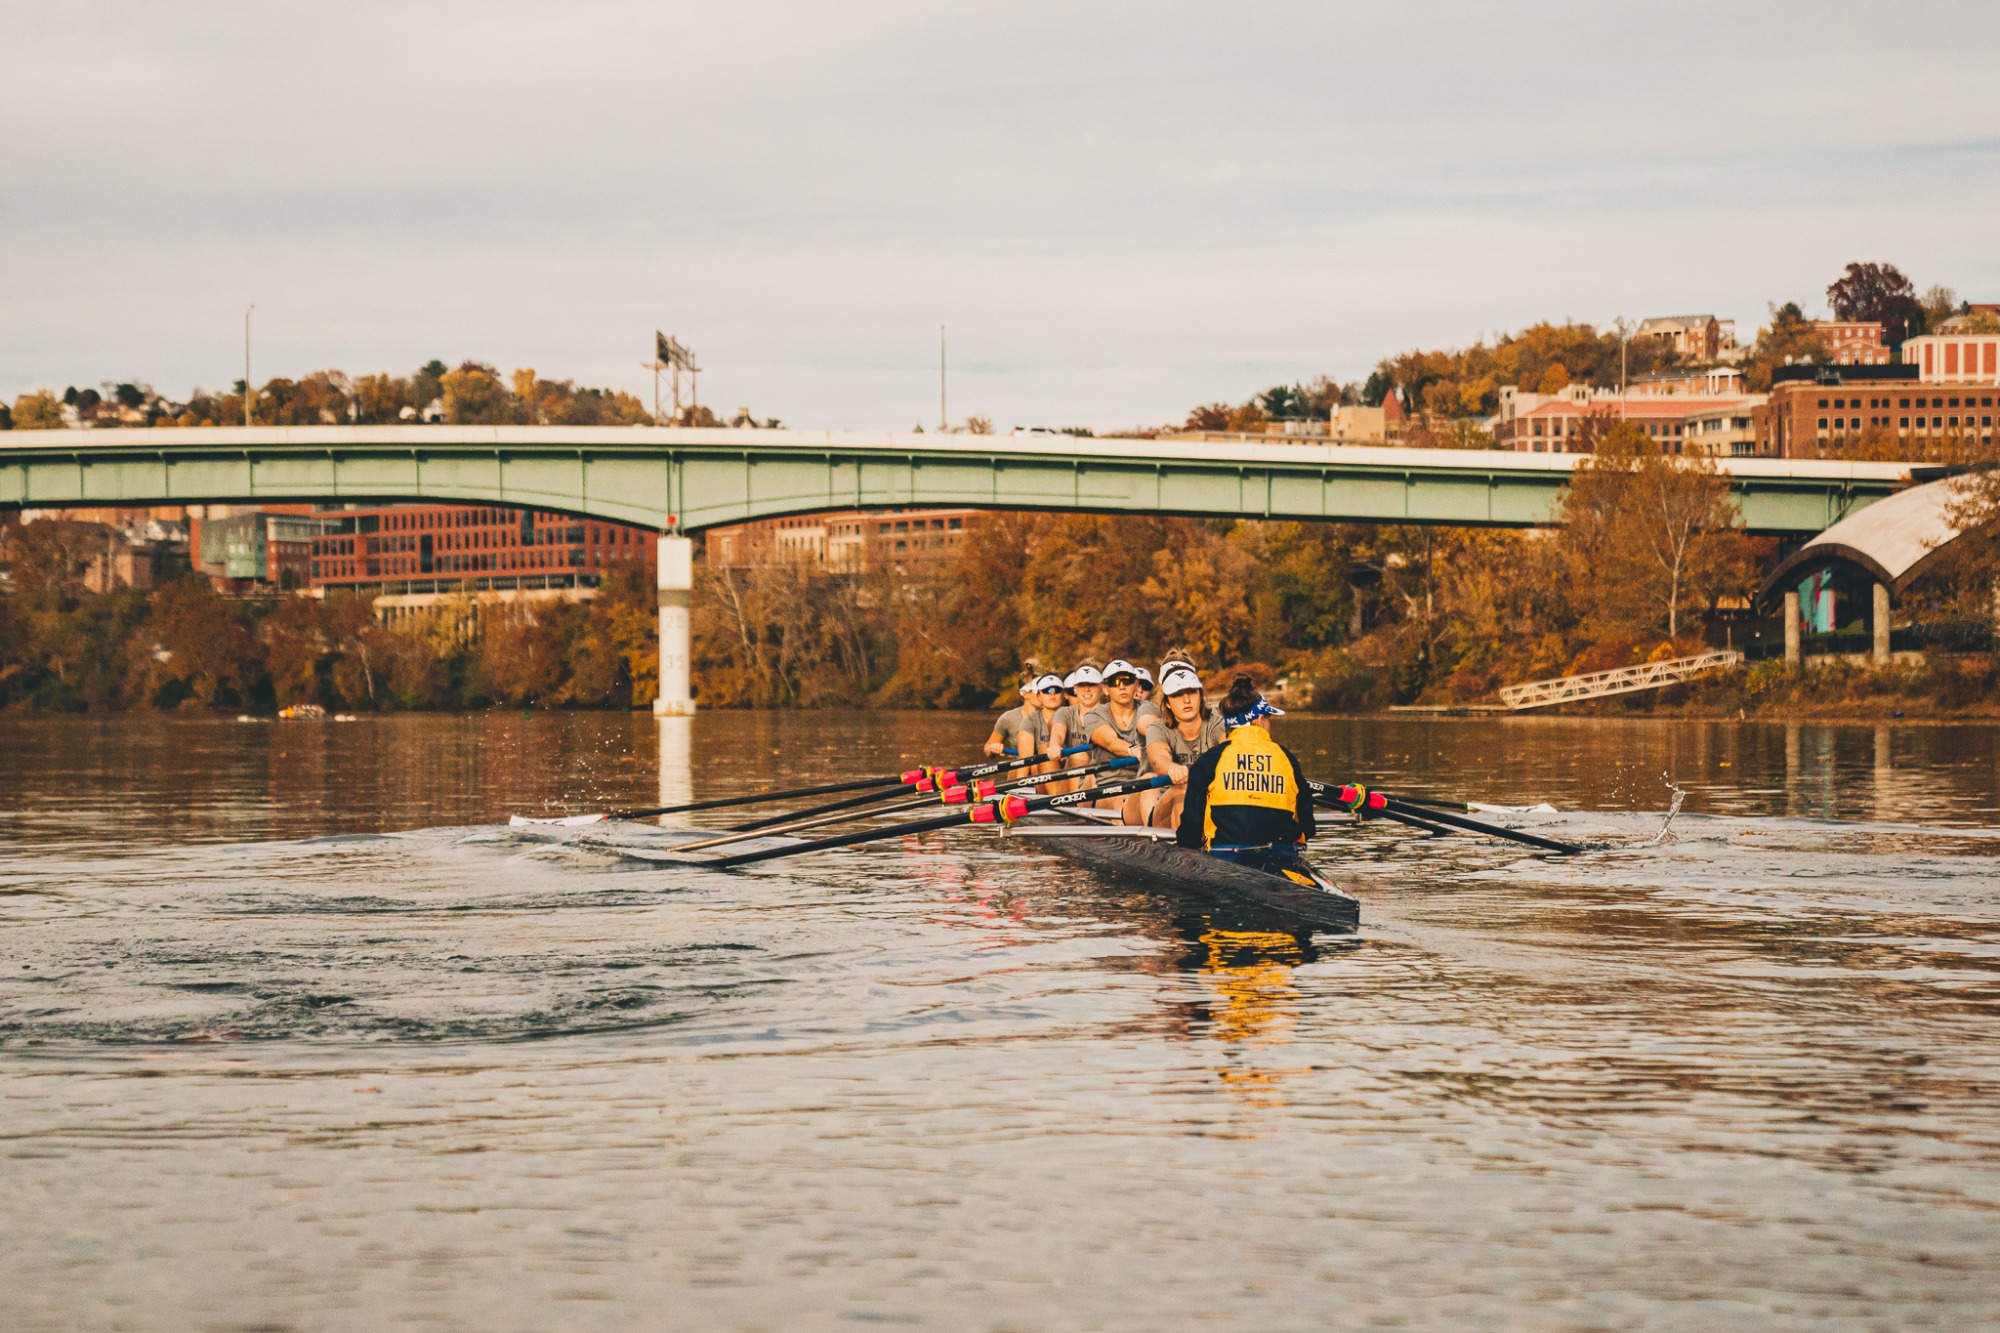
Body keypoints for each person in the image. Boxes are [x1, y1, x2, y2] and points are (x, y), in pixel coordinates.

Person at [1177, 674, 1316, 864]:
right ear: (1259, 719)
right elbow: (1308, 828)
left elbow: (1190, 834)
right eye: (1269, 719)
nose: (1269, 724)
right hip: (1281, 858)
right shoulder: (1287, 759)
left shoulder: (1208, 762)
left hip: (1223, 859)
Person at [1137, 659, 1228, 828]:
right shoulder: (1158, 728)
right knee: (1183, 789)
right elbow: (1158, 758)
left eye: (1191, 691)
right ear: (1168, 703)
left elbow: (1229, 746)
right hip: (1167, 804)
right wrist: (1171, 767)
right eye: (1177, 694)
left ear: (1200, 695)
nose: (1186, 699)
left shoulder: (1216, 724)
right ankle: (1184, 852)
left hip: (1209, 802)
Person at [1082, 659, 1151, 813]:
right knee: (1122, 800)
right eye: (1114, 682)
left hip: (1147, 781)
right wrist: (1135, 750)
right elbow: (1111, 742)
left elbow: (1150, 726)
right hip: (1110, 787)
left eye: (1127, 680)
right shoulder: (1094, 716)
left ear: (1136, 684)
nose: (1121, 686)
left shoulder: (1149, 709)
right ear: (1105, 689)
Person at [1046, 661, 1105, 791]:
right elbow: (1058, 731)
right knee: (1078, 755)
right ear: (1074, 688)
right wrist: (1055, 745)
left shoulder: (1111, 713)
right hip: (1071, 784)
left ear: (1102, 687)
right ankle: (1067, 805)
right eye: (1082, 684)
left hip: (1102, 779)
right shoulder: (1065, 713)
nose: (1086, 689)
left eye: (1092, 684)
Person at [984, 668, 1045, 757]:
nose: (1042, 694)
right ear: (1024, 693)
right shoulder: (1008, 718)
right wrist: (994, 748)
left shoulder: (1054, 715)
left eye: (1044, 690)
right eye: (1038, 690)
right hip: (1020, 766)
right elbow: (987, 749)